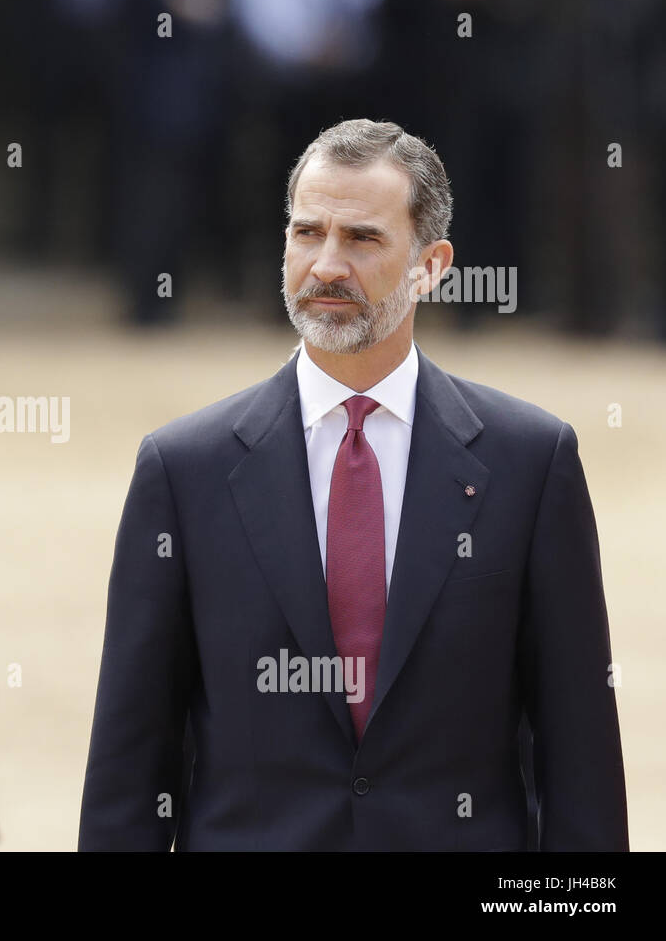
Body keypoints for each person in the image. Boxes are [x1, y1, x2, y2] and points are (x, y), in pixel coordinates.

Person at [79, 118, 629, 852]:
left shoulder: (531, 462)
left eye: (363, 239)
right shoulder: (184, 469)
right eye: (308, 233)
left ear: (431, 265)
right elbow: (129, 759)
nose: (327, 265)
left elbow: (580, 756)